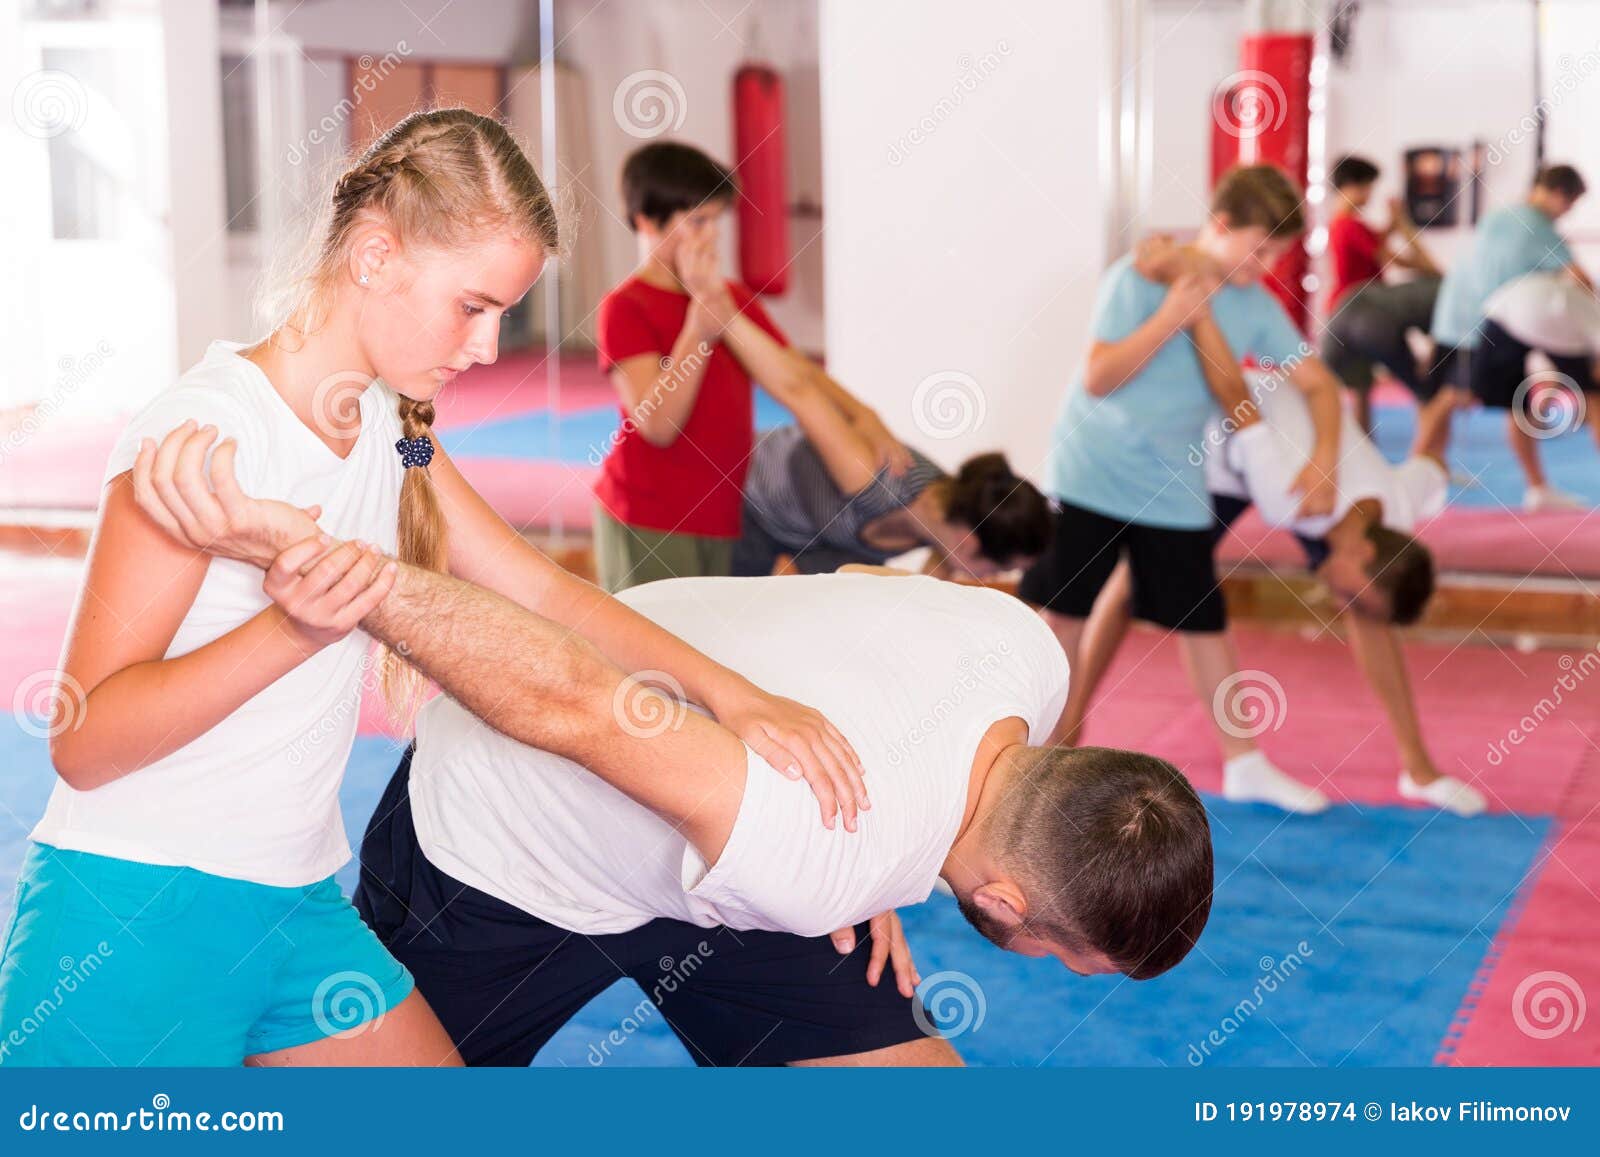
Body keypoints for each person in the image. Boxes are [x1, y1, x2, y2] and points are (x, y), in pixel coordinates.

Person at [0, 110, 865, 1069]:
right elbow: (82, 742)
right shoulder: (207, 436)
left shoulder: (390, 425)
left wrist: (734, 696)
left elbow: (543, 590)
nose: (490, 348)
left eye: (504, 314)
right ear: (374, 255)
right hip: (137, 916)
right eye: (474, 306)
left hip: (293, 908)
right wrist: (296, 628)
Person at [124, 440, 1216, 1067]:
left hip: (755, 863)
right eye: (1073, 953)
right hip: (511, 843)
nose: (1070, 973)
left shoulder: (1024, 648)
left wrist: (901, 844)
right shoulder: (822, 847)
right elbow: (571, 704)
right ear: (1010, 899)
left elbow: (862, 598)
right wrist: (331, 565)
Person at [1021, 164, 1347, 814]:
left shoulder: (1255, 306)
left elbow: (1317, 383)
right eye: (1257, 247)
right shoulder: (1137, 276)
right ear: (1219, 224)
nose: (1264, 264)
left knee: (1204, 620)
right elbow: (1099, 377)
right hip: (1094, 466)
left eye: (1277, 254)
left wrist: (1323, 460)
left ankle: (1245, 762)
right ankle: (1036, 767)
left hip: (1170, 481)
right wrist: (1173, 315)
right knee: (1063, 618)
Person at [1064, 330, 1486, 818]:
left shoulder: (1396, 504)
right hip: (1208, 437)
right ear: (1363, 550)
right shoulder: (1291, 490)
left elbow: (1431, 455)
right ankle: (1071, 726)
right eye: (1351, 594)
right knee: (1142, 582)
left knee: (1372, 615)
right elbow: (1237, 402)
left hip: (1283, 442)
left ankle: (1420, 770)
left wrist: (1449, 401)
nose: (1339, 605)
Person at [593, 141, 908, 591]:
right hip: (649, 516)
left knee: (709, 647)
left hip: (721, 515)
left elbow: (799, 373)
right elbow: (658, 424)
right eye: (698, 221)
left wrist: (866, 417)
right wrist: (699, 330)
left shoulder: (732, 297)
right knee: (649, 654)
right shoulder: (626, 307)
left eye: (717, 220)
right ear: (646, 221)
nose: (712, 235)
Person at [733, 368, 1052, 577]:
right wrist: (865, 415)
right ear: (968, 542)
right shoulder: (878, 480)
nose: (991, 578)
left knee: (853, 582)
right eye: (1001, 567)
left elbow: (922, 601)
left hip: (803, 535)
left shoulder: (945, 527)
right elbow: (798, 386)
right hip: (742, 494)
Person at [1430, 164, 1594, 511]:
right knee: (1459, 395)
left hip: (1474, 318)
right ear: (1557, 193)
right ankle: (1422, 470)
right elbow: (1580, 279)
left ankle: (1534, 487)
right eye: (1570, 204)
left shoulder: (1500, 217)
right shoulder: (1537, 225)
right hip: (1491, 321)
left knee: (1472, 397)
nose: (1568, 212)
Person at [1319, 154, 1449, 432]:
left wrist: (1393, 223)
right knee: (1415, 384)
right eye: (1367, 188)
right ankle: (1428, 442)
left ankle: (1365, 450)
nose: (1369, 195)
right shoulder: (1348, 225)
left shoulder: (1344, 223)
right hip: (1362, 311)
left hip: (1350, 310)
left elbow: (1377, 242)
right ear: (1352, 186)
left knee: (1362, 388)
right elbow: (1393, 257)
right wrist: (1430, 266)